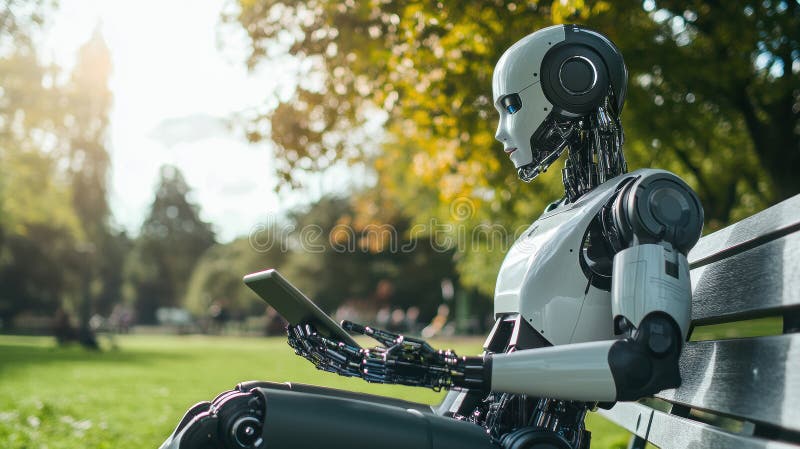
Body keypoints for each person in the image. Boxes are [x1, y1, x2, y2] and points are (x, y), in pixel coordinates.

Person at [160, 25, 704, 449]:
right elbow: (500, 365)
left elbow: (645, 361)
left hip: (512, 441)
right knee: (220, 409)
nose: (499, 131)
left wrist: (447, 367)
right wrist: (366, 364)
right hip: (468, 426)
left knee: (237, 421)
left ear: (574, 83)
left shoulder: (648, 203)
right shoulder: (562, 215)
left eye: (510, 106)